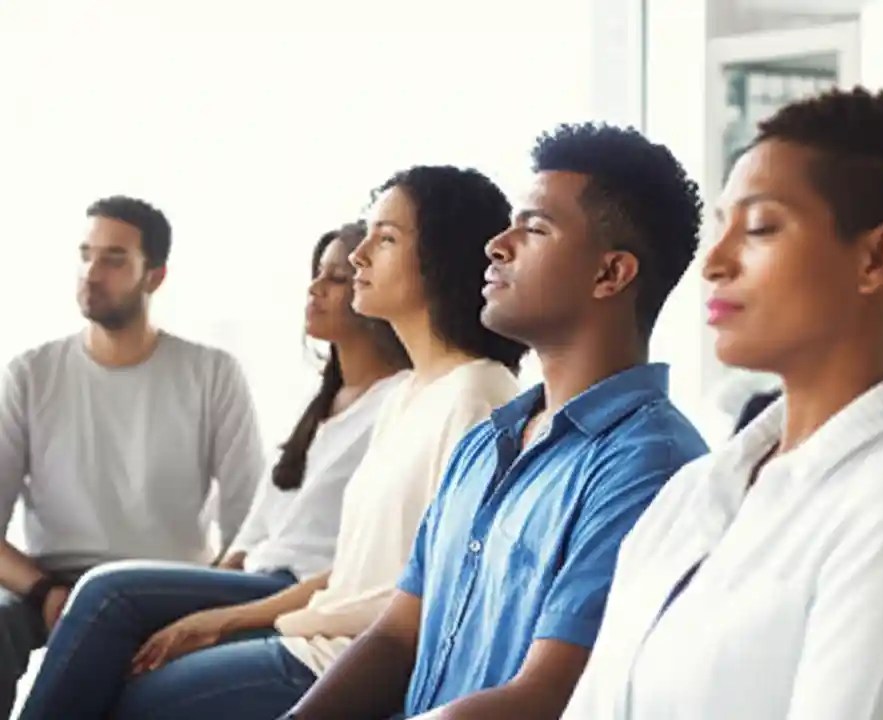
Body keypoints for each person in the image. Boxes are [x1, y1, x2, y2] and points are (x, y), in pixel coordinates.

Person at [21, 168, 528, 720]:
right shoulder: (412, 394)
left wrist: (251, 619)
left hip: (342, 661)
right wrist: (227, 618)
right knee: (123, 665)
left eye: (384, 240)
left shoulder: (476, 396)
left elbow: (448, 595)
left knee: (131, 690)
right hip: (315, 637)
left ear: (443, 258)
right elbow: (359, 573)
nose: (359, 257)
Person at [563, 88, 883, 720]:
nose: (714, 262)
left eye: (760, 227)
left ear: (878, 257)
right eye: (720, 225)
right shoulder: (694, 492)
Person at [283, 123, 709, 720]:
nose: (497, 244)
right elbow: (396, 634)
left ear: (610, 274)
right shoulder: (486, 442)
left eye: (534, 228)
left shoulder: (650, 466)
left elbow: (546, 696)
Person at [18, 221, 411, 718]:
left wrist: (225, 616)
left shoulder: (400, 401)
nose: (315, 288)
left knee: (106, 590)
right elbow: (251, 538)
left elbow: (376, 562)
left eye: (336, 278)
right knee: (116, 646)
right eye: (316, 273)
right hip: (262, 578)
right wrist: (200, 604)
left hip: (301, 592)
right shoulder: (324, 407)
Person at [0, 196, 264, 714]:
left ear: (155, 276)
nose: (91, 273)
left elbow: (249, 527)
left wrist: (199, 613)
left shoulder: (211, 373)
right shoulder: (30, 374)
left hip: (166, 588)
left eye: (114, 259)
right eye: (85, 254)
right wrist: (43, 593)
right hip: (51, 584)